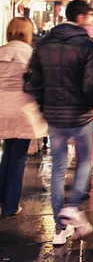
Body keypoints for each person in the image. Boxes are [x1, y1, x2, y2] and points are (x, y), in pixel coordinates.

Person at [25, 0, 93, 246]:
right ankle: (73, 205)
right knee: (84, 162)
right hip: (81, 115)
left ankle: (59, 230)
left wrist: (43, 106)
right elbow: (90, 85)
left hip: (54, 116)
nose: (90, 21)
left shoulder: (43, 43)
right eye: (88, 17)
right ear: (80, 18)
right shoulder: (87, 45)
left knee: (58, 169)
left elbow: (33, 79)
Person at [0, 18, 47, 217]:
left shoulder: (1, 51)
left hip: (2, 108)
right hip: (23, 111)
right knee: (18, 157)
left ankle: (2, 199)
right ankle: (10, 206)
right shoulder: (31, 55)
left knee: (6, 154)